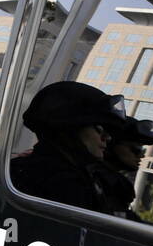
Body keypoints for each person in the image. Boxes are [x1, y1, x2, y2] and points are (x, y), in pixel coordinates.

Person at [11, 81, 126, 212]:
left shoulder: (17, 168)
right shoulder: (64, 184)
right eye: (100, 129)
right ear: (69, 127)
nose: (108, 138)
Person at [91, 115, 153, 218]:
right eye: (136, 149)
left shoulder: (114, 183)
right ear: (110, 143)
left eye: (142, 150)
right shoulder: (94, 178)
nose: (142, 155)